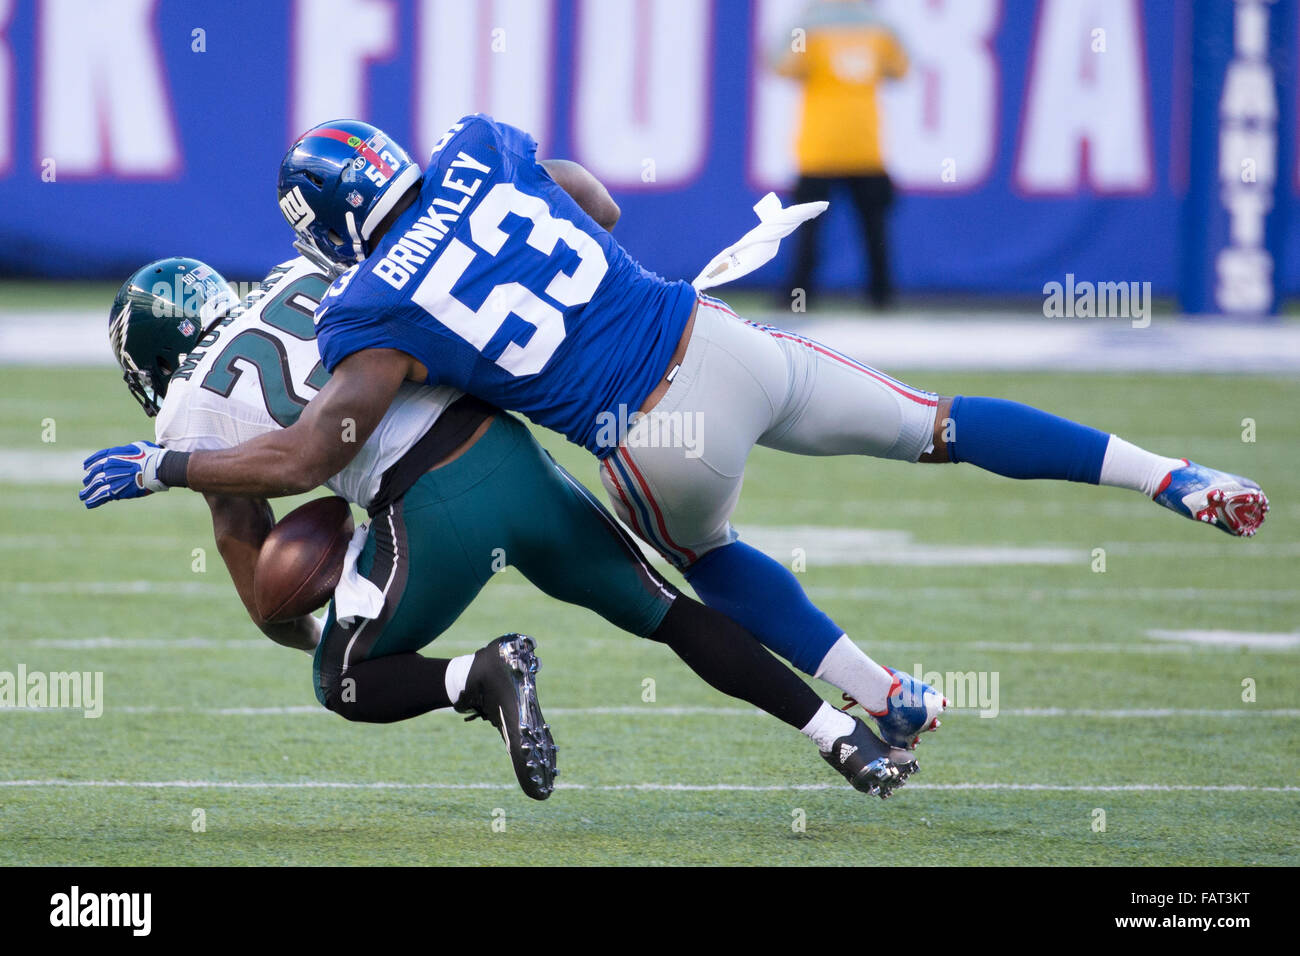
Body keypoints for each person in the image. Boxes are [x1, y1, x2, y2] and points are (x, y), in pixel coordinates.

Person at [84, 114, 1268, 783]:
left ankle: (877, 697)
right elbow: (593, 203)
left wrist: (170, 464)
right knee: (937, 424)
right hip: (717, 336)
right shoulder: (479, 149)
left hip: (644, 435)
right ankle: (1167, 474)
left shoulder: (367, 315)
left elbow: (312, 447)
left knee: (702, 568)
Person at [86, 253, 920, 801]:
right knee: (668, 613)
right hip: (508, 452)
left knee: (342, 679)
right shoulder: (310, 272)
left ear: (152, 358)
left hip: (426, 506)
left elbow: (269, 603)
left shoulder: (188, 413)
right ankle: (842, 736)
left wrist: (332, 597)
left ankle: (479, 676)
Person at [772, 0, 908, 308]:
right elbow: (900, 69)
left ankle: (798, 297)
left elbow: (781, 65)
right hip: (862, 146)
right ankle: (882, 298)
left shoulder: (811, 26)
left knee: (810, 231)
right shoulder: (879, 28)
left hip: (821, 147)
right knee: (873, 229)